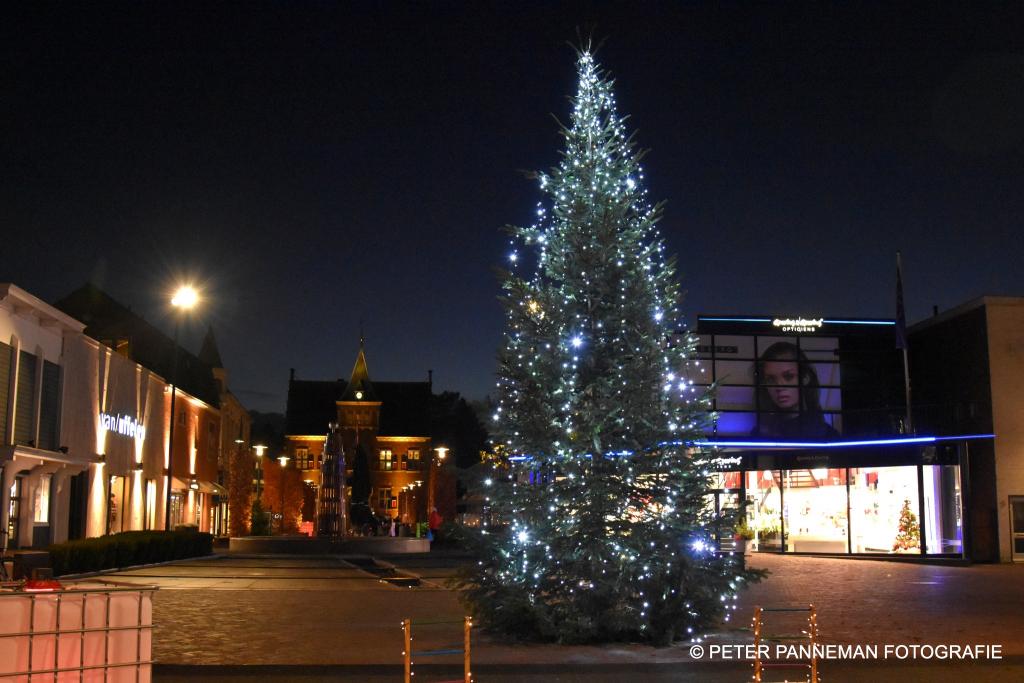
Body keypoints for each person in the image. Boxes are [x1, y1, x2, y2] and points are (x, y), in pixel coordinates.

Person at [752, 341, 839, 440]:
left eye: (788, 376)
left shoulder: (829, 436)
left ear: (805, 378)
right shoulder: (759, 434)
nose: (779, 386)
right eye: (771, 379)